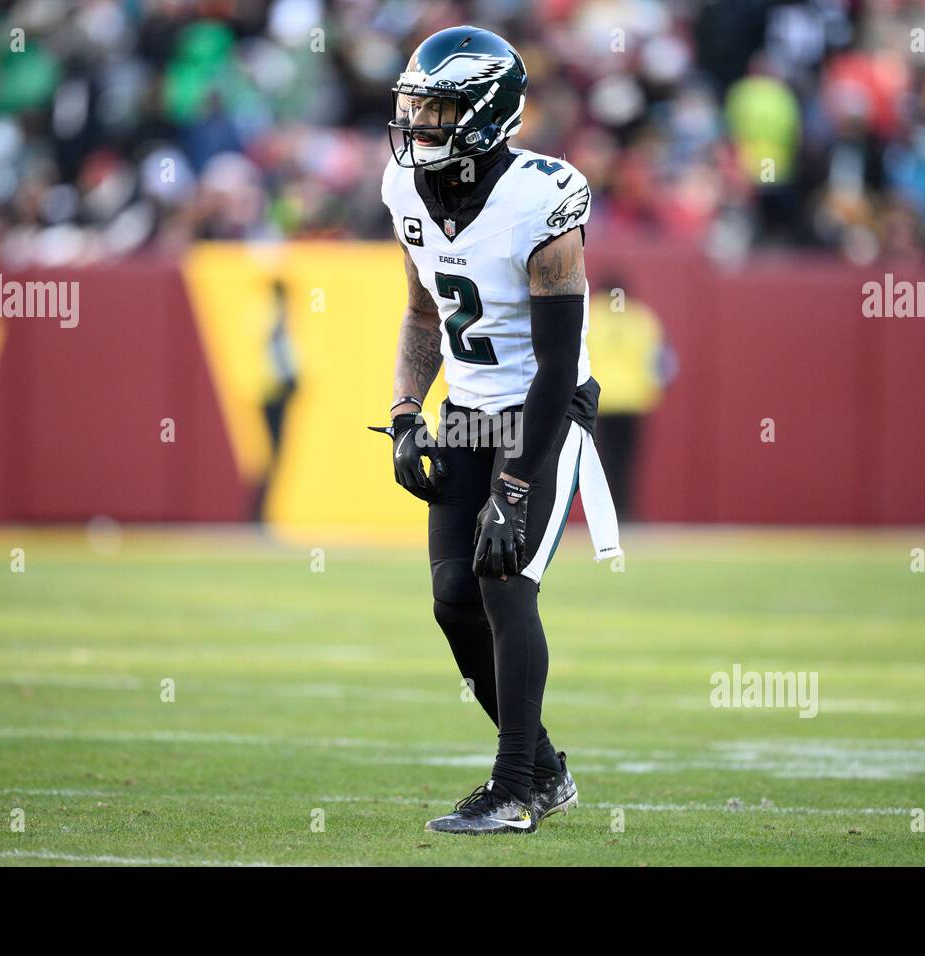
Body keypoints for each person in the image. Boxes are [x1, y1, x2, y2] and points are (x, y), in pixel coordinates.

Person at [371, 25, 621, 835]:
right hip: (468, 412)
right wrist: (408, 415)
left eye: (436, 110)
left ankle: (513, 789)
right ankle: (544, 770)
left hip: (544, 413)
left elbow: (554, 366)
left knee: (504, 582)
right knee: (452, 599)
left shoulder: (542, 198)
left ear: (483, 116)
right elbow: (420, 313)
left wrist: (515, 486)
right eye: (413, 107)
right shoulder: (405, 191)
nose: (417, 127)